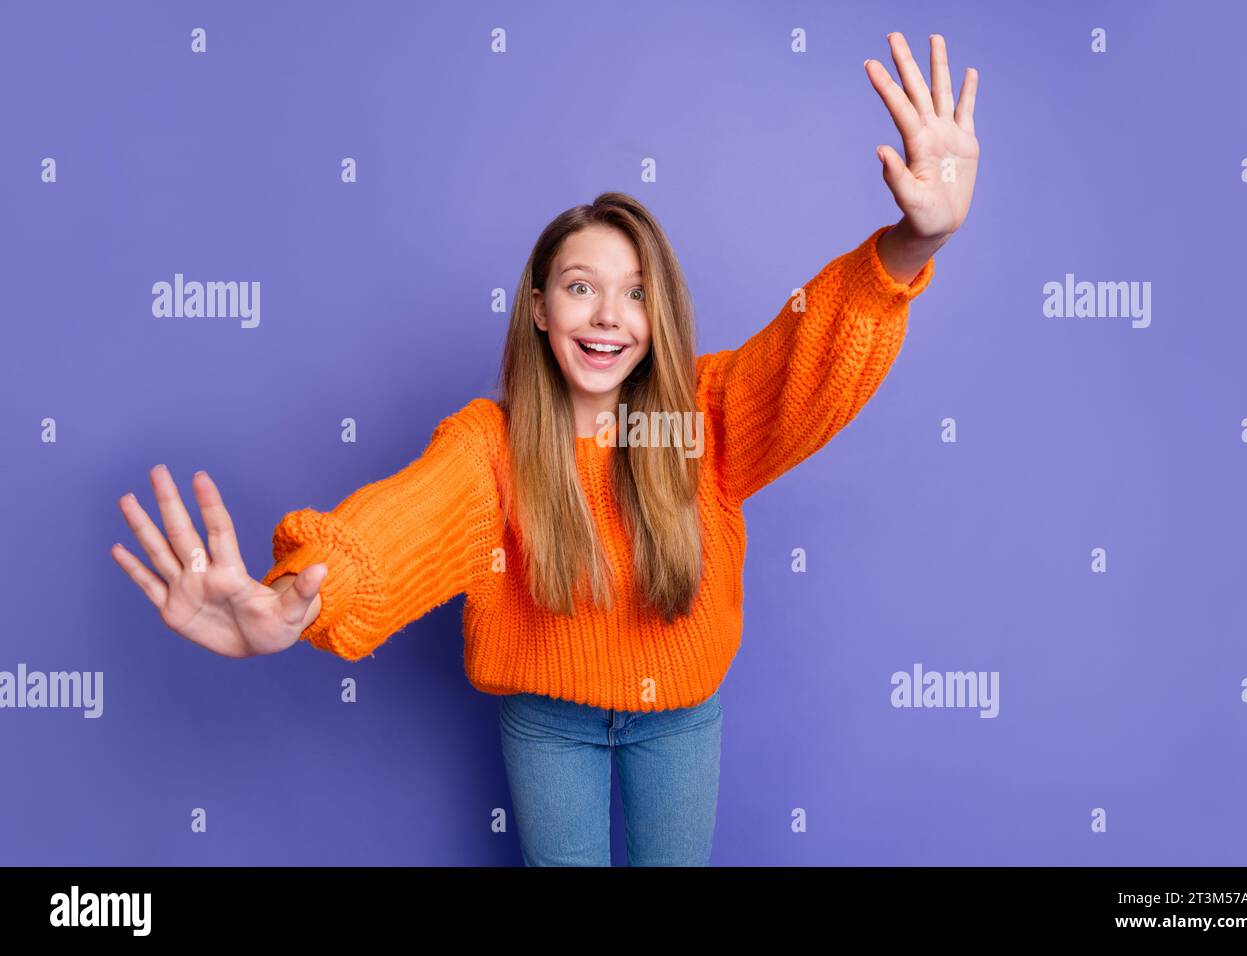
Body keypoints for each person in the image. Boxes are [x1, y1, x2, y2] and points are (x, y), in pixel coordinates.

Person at [110, 31, 979, 866]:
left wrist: (913, 242)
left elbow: (810, 356)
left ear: (659, 317)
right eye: (580, 288)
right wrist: (301, 598)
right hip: (547, 718)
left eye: (635, 295)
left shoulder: (704, 416)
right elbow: (405, 525)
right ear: (538, 310)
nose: (607, 315)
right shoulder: (492, 445)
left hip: (680, 713)